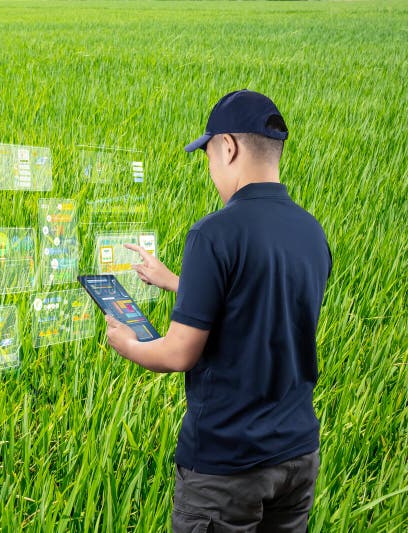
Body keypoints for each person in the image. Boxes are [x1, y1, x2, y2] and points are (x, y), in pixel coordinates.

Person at [105, 89, 332, 532]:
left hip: (228, 465)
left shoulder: (214, 233)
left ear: (228, 147)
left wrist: (127, 343)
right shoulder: (310, 231)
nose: (210, 168)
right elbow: (262, 304)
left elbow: (177, 354)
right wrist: (176, 282)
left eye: (208, 154)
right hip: (298, 455)